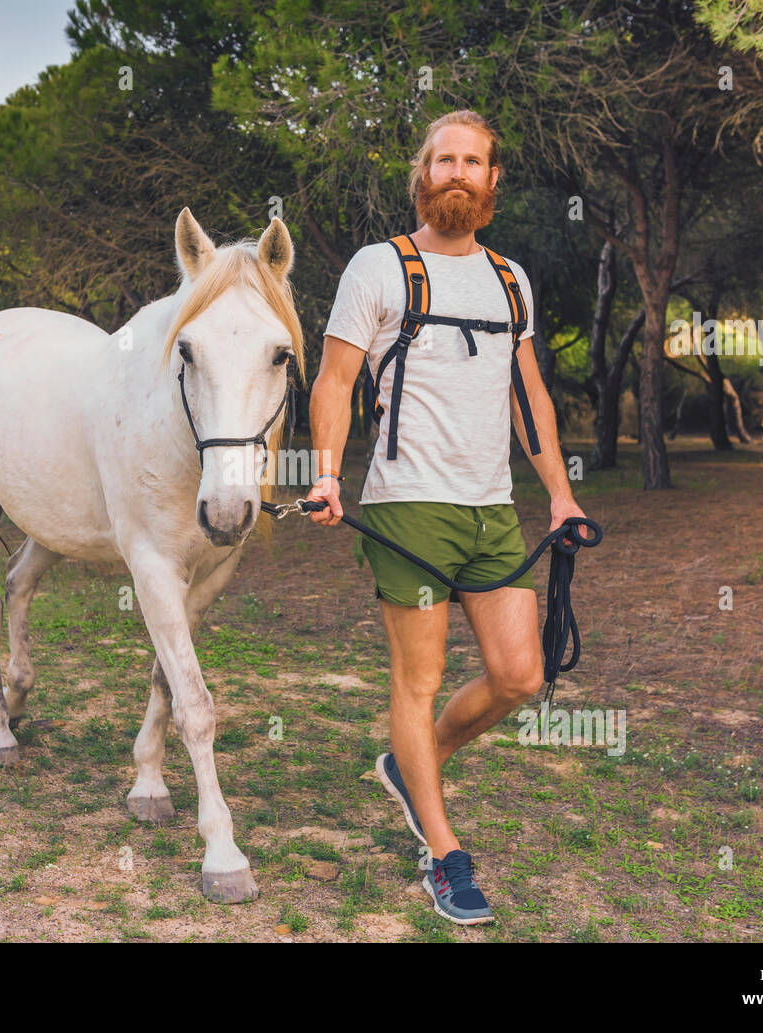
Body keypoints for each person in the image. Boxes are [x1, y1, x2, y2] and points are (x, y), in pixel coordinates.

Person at [306, 109, 592, 926]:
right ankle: (445, 853)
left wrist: (560, 495)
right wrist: (326, 475)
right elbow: (333, 382)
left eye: (474, 162)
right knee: (418, 680)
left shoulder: (511, 279)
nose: (458, 173)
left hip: (492, 508)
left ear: (494, 181)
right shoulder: (378, 268)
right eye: (444, 161)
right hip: (408, 509)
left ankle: (412, 760)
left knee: (521, 674)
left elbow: (526, 394)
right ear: (421, 175)